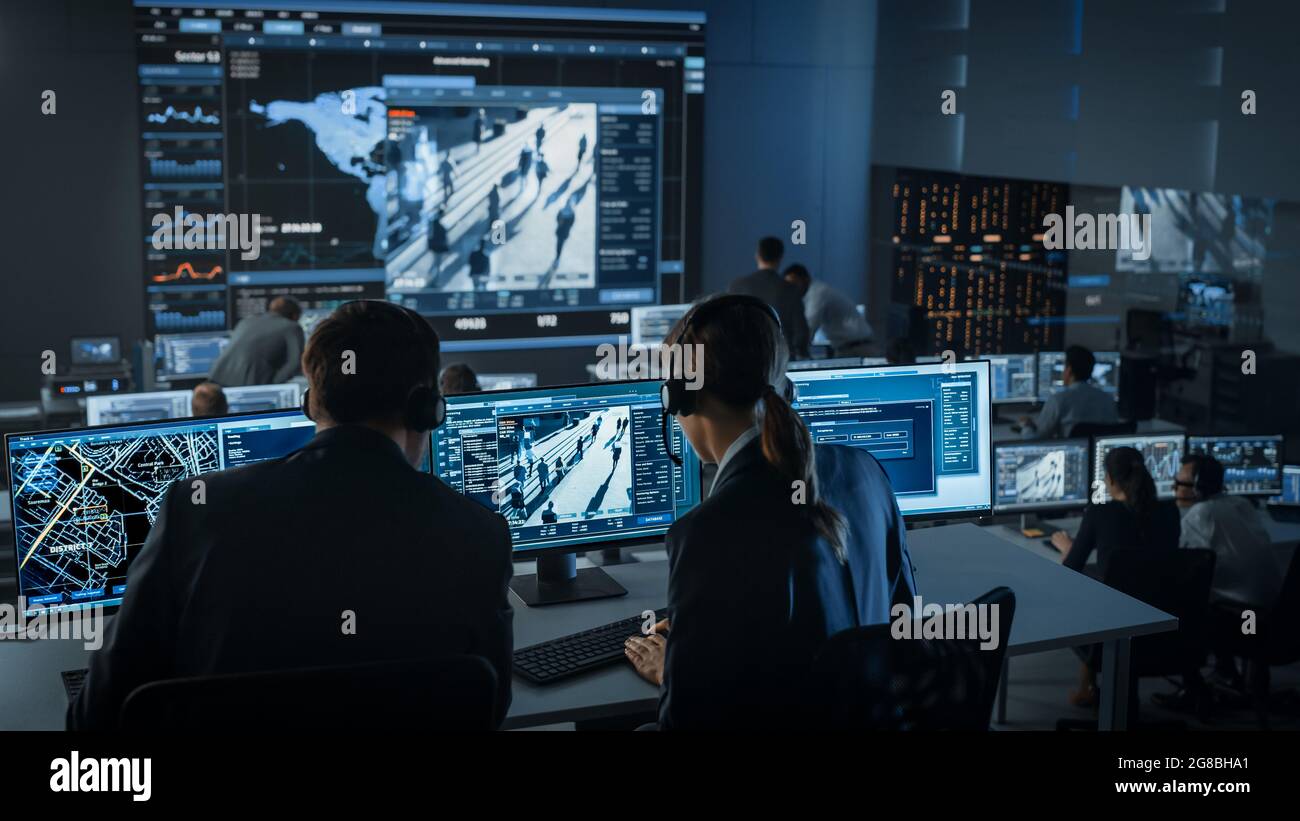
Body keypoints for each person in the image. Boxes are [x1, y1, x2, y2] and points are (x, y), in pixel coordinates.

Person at [69, 300, 515, 730]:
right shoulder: (481, 534)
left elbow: (98, 714)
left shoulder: (196, 510)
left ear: (312, 402)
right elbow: (488, 706)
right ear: (428, 410)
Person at [622, 295, 917, 730]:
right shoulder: (866, 470)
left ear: (684, 396)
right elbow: (904, 628)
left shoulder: (706, 532)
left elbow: (688, 721)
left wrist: (675, 671)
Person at [1050, 446, 1180, 705]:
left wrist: (1067, 548)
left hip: (1114, 625)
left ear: (1109, 478)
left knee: (1090, 595)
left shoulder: (1100, 513)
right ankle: (1090, 688)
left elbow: (1070, 570)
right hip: (1162, 624)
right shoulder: (1169, 511)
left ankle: (1089, 687)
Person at [1172, 453, 1283, 692]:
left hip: (1243, 621)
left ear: (1198, 487)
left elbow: (1187, 573)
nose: (1174, 488)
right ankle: (1232, 671)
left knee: (1181, 604)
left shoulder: (1199, 515)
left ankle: (1194, 690)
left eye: (1180, 483)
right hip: (1271, 616)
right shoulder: (1242, 504)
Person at [728, 236, 811, 359]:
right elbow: (801, 334)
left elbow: (728, 329)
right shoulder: (790, 289)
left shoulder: (737, 286)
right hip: (780, 361)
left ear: (757, 255)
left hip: (743, 359)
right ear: (780, 257)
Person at [1018, 345, 1118, 438]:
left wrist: (1027, 426)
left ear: (1069, 370)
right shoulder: (1108, 400)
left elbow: (1036, 439)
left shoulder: (1058, 400)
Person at [209, 296, 305, 387]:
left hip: (216, 379)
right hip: (250, 384)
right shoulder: (292, 327)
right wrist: (273, 383)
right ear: (295, 316)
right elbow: (296, 363)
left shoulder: (246, 321)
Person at [782, 264, 874, 356]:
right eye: (788, 285)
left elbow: (809, 327)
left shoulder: (818, 293)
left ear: (806, 279)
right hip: (849, 347)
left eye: (794, 283)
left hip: (858, 348)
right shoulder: (810, 295)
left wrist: (794, 352)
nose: (791, 288)